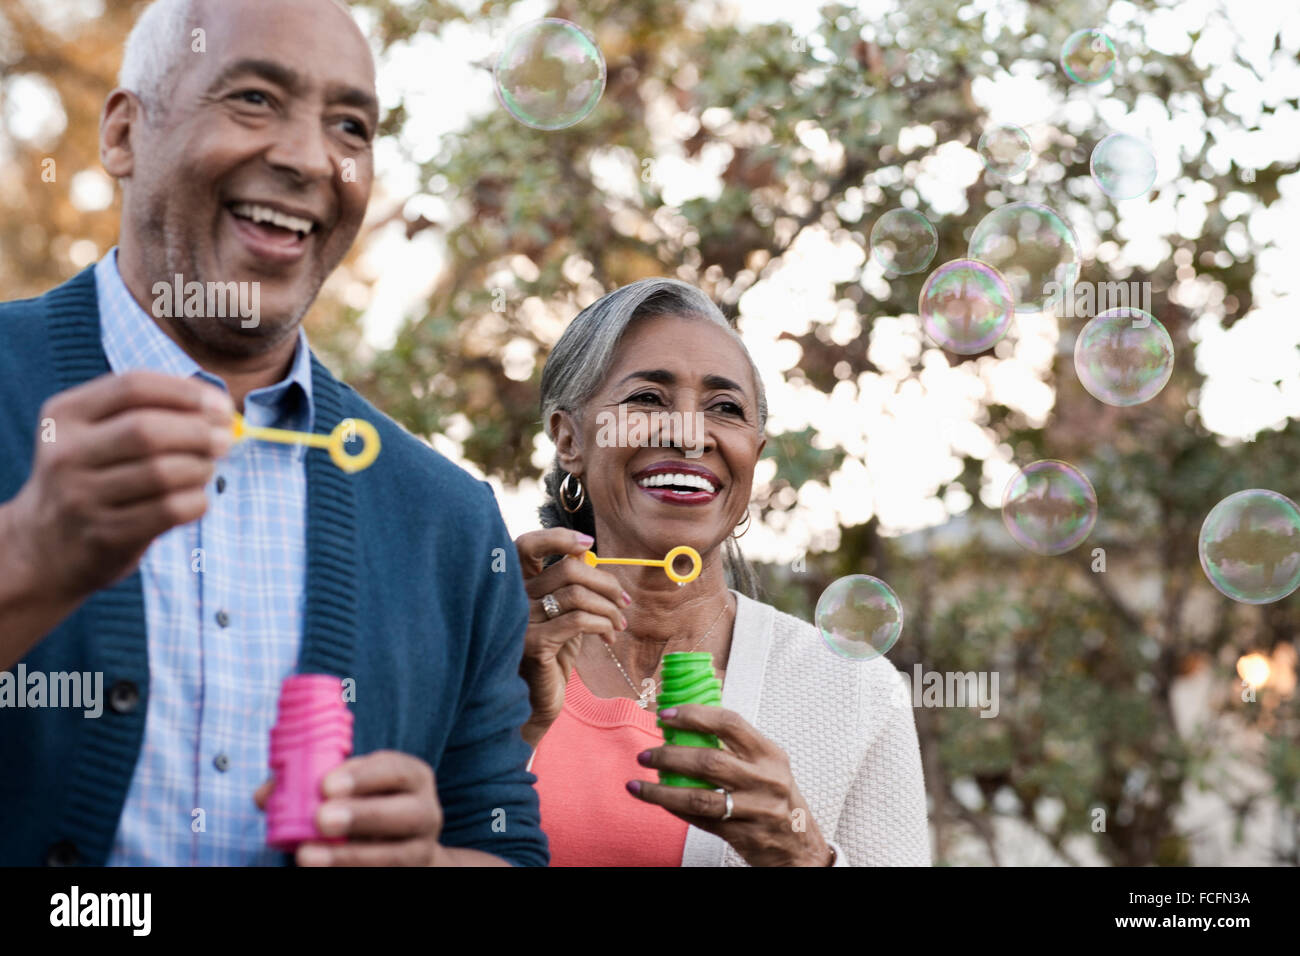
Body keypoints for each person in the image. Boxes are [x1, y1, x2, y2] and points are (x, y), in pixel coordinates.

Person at [0, 0, 545, 867]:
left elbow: (503, 844)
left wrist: (429, 863)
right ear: (123, 133)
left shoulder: (449, 522)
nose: (308, 157)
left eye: (350, 126)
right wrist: (24, 558)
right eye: (254, 98)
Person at [515, 278, 930, 866]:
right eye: (648, 400)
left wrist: (805, 856)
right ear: (568, 438)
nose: (689, 435)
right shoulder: (482, 650)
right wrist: (508, 722)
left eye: (725, 409)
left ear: (753, 456)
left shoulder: (854, 692)